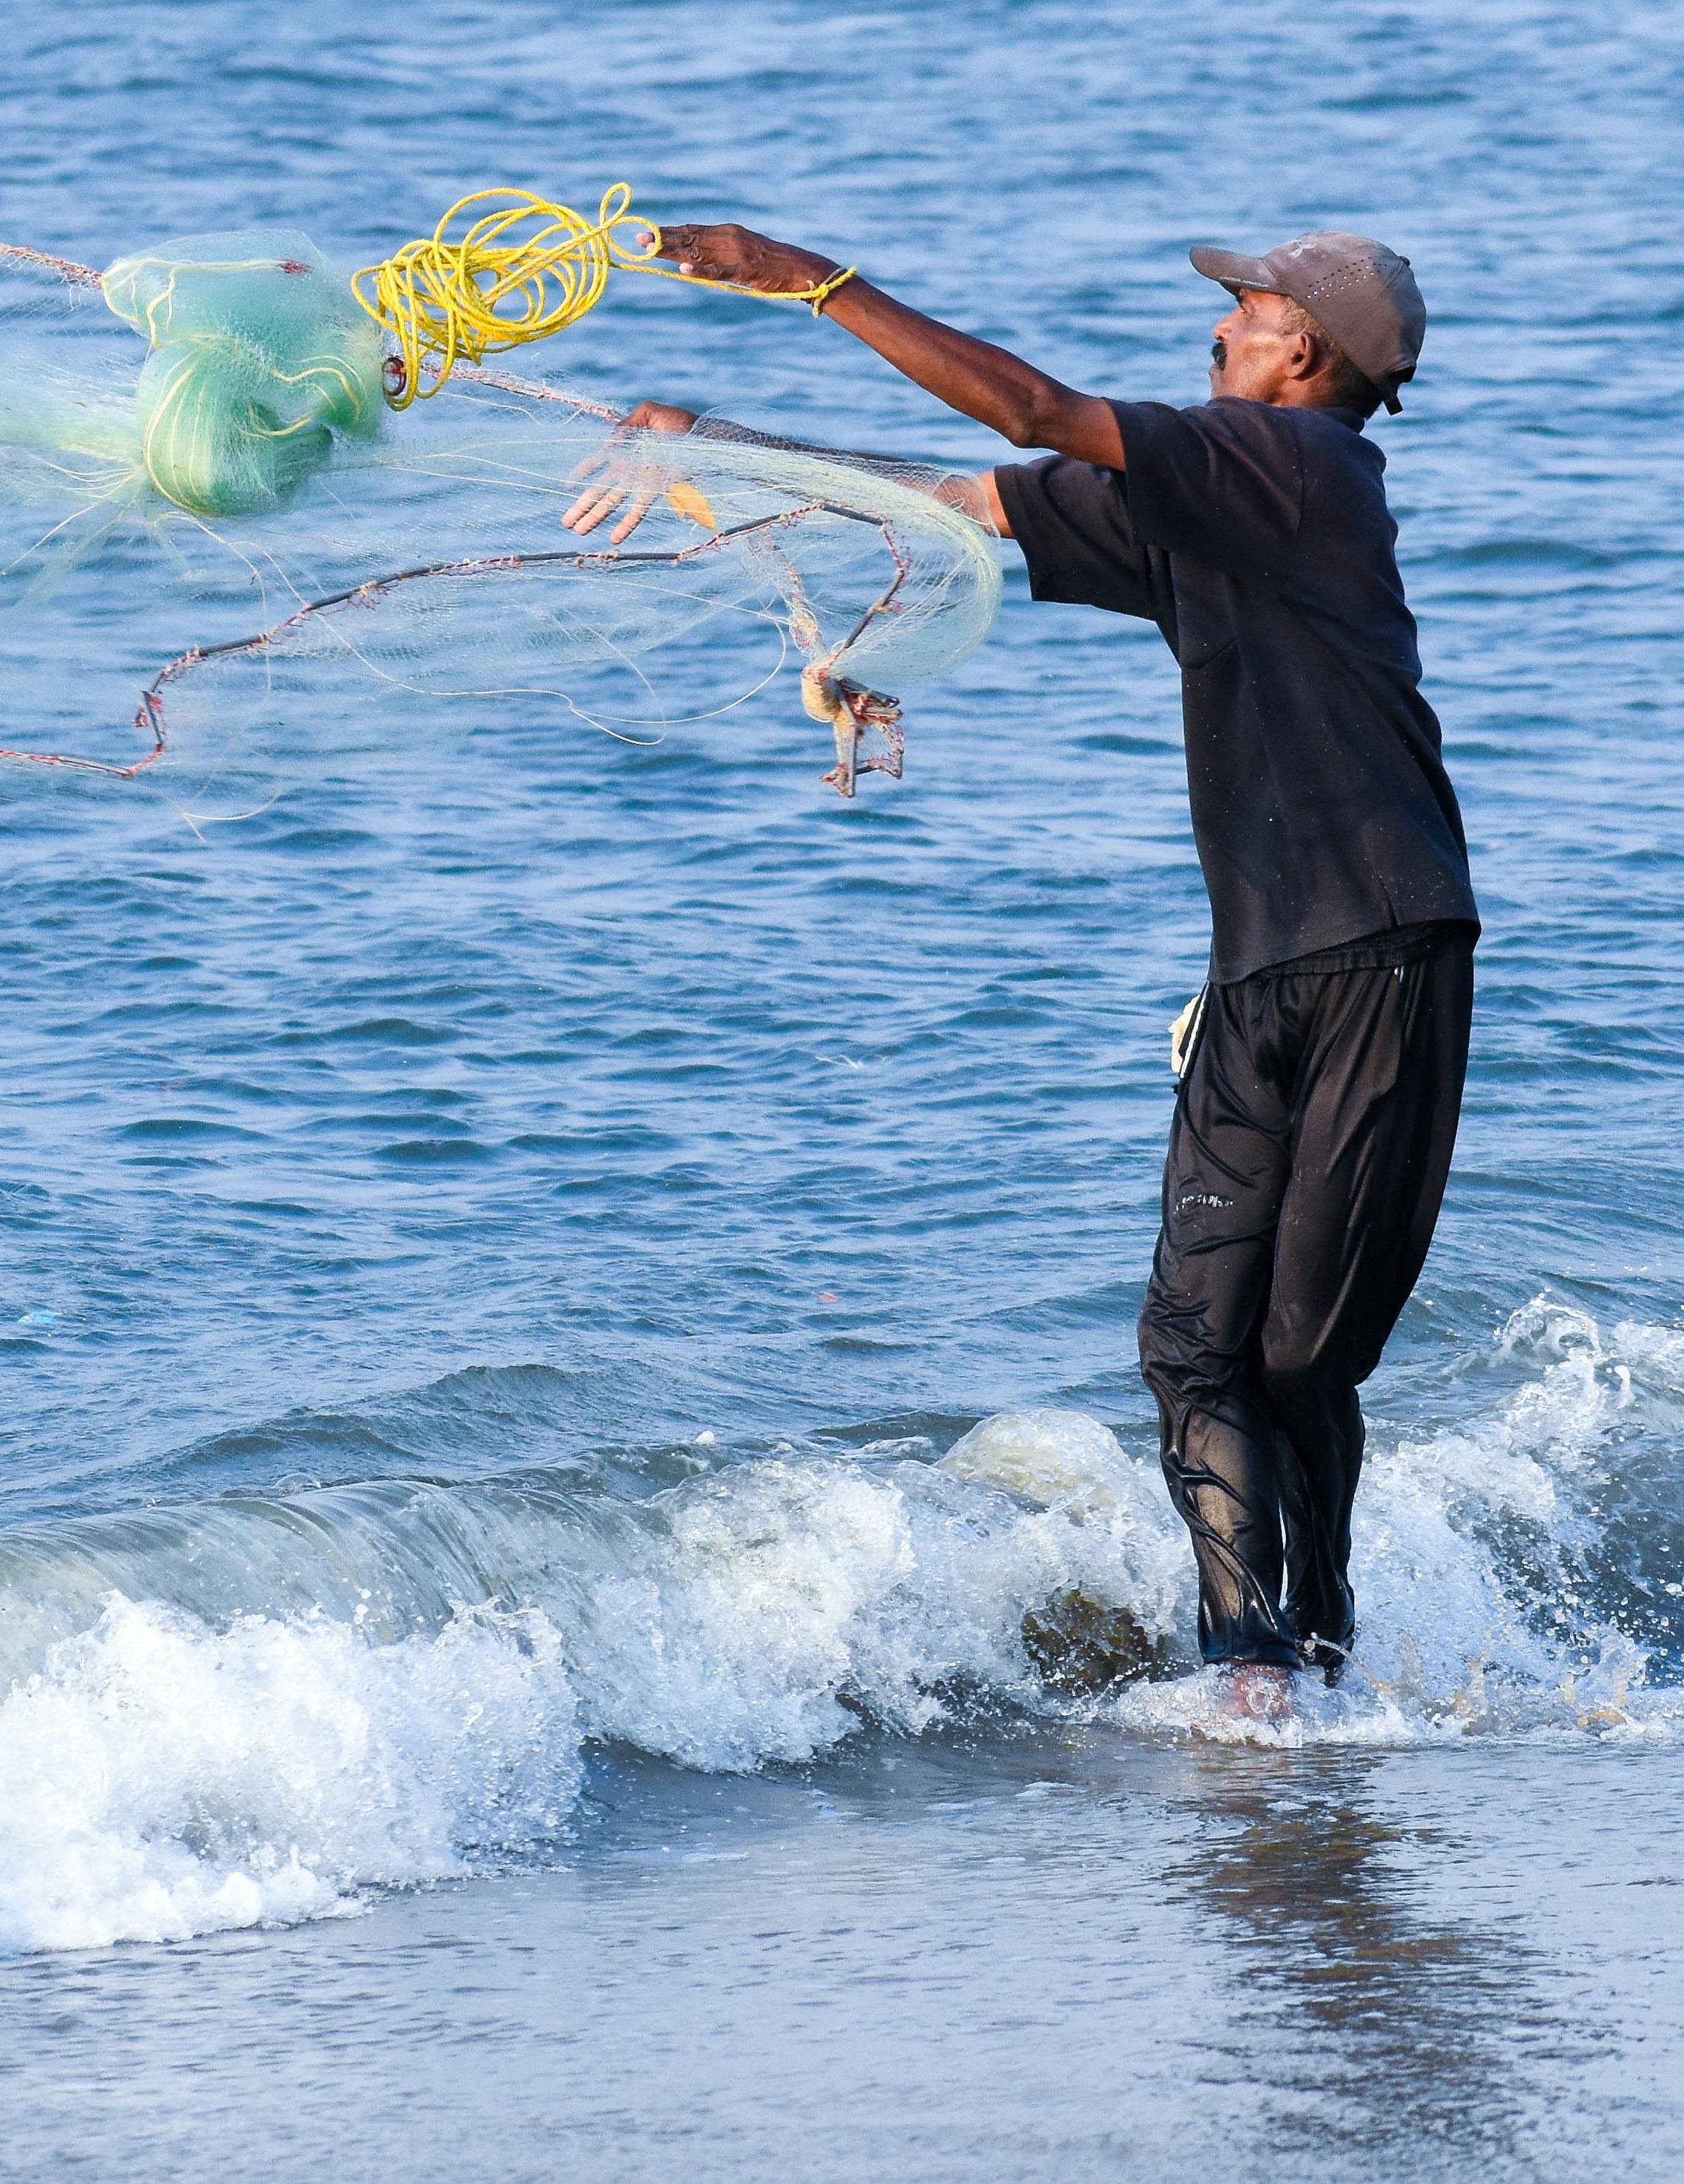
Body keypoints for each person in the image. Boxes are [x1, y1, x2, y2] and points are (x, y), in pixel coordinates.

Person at [566, 226, 1478, 1720]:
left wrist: (812, 281)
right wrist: (721, 449)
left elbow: (1032, 416)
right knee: (1203, 1344)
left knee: (1296, 1356)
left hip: (1376, 945)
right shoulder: (1222, 501)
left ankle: (1285, 1669)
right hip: (1277, 963)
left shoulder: (1287, 467)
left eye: (1239, 315)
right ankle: (1270, 1670)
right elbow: (948, 501)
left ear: (1302, 356)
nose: (1215, 337)